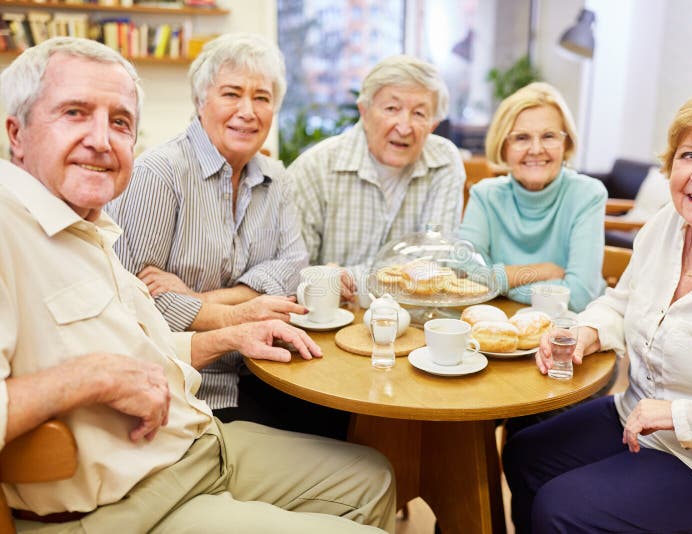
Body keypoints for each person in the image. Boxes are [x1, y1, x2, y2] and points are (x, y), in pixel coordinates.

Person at [0, 37, 395, 533]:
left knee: (373, 475)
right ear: (17, 132)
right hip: (127, 500)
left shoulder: (89, 226)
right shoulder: (9, 227)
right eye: (75, 113)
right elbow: (122, 352)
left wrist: (230, 332)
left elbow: (286, 270)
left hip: (190, 445)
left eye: (120, 122)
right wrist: (95, 376)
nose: (101, 139)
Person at [503, 90, 692, 533]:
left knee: (562, 507)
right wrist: (587, 331)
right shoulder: (668, 224)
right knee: (527, 453)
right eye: (689, 155)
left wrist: (682, 415)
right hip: (641, 421)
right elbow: (623, 300)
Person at [106, 33, 337, 434]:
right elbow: (132, 304)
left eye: (262, 98)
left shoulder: (274, 177)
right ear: (200, 102)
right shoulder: (159, 174)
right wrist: (241, 312)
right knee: (337, 446)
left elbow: (293, 269)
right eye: (232, 94)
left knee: (349, 419)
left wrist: (196, 300)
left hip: (261, 366)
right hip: (189, 386)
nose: (248, 111)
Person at [287, 54, 466, 302]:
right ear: (364, 111)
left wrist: (347, 277)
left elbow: (435, 266)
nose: (404, 127)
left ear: (433, 125)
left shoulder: (445, 161)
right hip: (331, 322)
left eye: (419, 113)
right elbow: (295, 271)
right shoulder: (315, 167)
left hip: (413, 323)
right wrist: (402, 275)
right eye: (392, 109)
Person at [459, 82, 607, 310]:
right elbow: (462, 276)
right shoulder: (485, 195)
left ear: (565, 144)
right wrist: (544, 272)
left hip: (567, 333)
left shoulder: (588, 195)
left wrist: (495, 284)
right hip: (498, 329)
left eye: (549, 136)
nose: (536, 149)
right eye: (521, 138)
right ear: (503, 147)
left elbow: (578, 297)